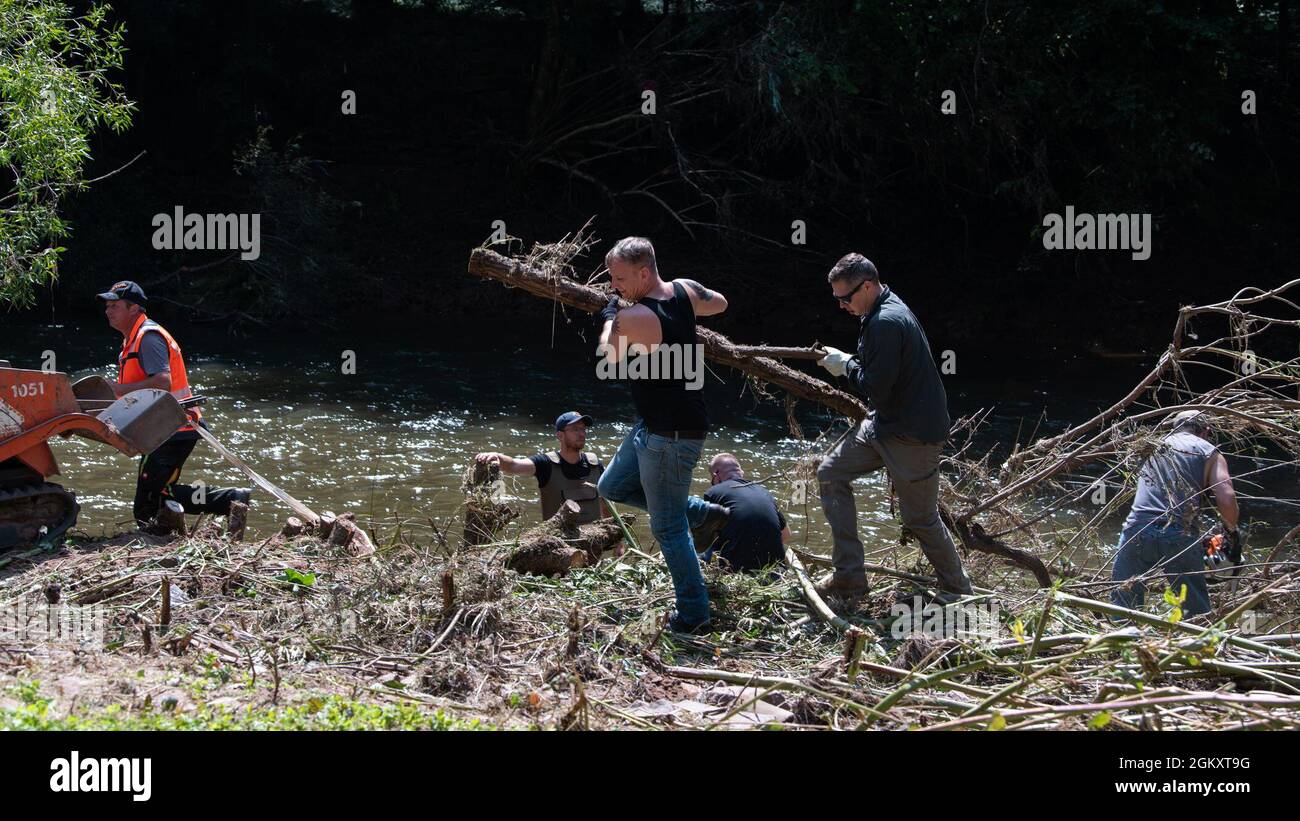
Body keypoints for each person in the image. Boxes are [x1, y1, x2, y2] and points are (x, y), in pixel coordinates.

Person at [814, 253, 971, 600]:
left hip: (913, 436)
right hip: (884, 424)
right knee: (830, 473)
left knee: (920, 519)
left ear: (867, 285)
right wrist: (851, 362)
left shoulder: (886, 321)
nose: (841, 305)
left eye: (846, 297)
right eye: (836, 298)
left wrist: (846, 365)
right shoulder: (879, 307)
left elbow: (874, 386)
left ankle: (960, 592)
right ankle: (849, 576)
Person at [593, 236, 730, 633]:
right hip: (652, 424)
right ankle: (701, 512)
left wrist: (609, 315)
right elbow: (718, 303)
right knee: (612, 486)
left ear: (644, 272)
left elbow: (609, 355)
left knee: (668, 529)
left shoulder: (635, 316)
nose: (614, 286)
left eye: (619, 278)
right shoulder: (685, 290)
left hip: (671, 434)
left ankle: (693, 614)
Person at [98, 281, 250, 528]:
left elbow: (162, 383)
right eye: (107, 306)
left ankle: (231, 499)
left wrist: (117, 390)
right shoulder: (132, 339)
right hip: (160, 429)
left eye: (114, 305)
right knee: (154, 498)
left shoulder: (148, 338)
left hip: (174, 428)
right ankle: (231, 499)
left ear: (134, 308)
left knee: (148, 504)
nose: (108, 311)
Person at [1111, 410, 1239, 617]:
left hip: (1136, 529)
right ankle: (1196, 645)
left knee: (1123, 608)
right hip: (1179, 534)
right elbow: (1226, 497)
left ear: (1176, 428)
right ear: (1205, 431)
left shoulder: (1151, 446)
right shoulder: (1209, 451)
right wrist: (1231, 532)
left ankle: (1119, 647)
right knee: (1196, 616)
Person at [473, 411, 609, 524]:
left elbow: (606, 504)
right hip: (559, 546)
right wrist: (496, 456)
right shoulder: (546, 464)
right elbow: (514, 465)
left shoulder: (595, 464)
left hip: (594, 545)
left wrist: (617, 541)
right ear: (560, 435)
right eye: (575, 429)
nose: (581, 434)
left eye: (583, 429)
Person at [699, 453, 790, 573]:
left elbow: (706, 540)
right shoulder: (763, 492)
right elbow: (786, 534)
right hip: (775, 571)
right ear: (741, 472)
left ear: (716, 476)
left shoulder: (713, 492)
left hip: (738, 572)